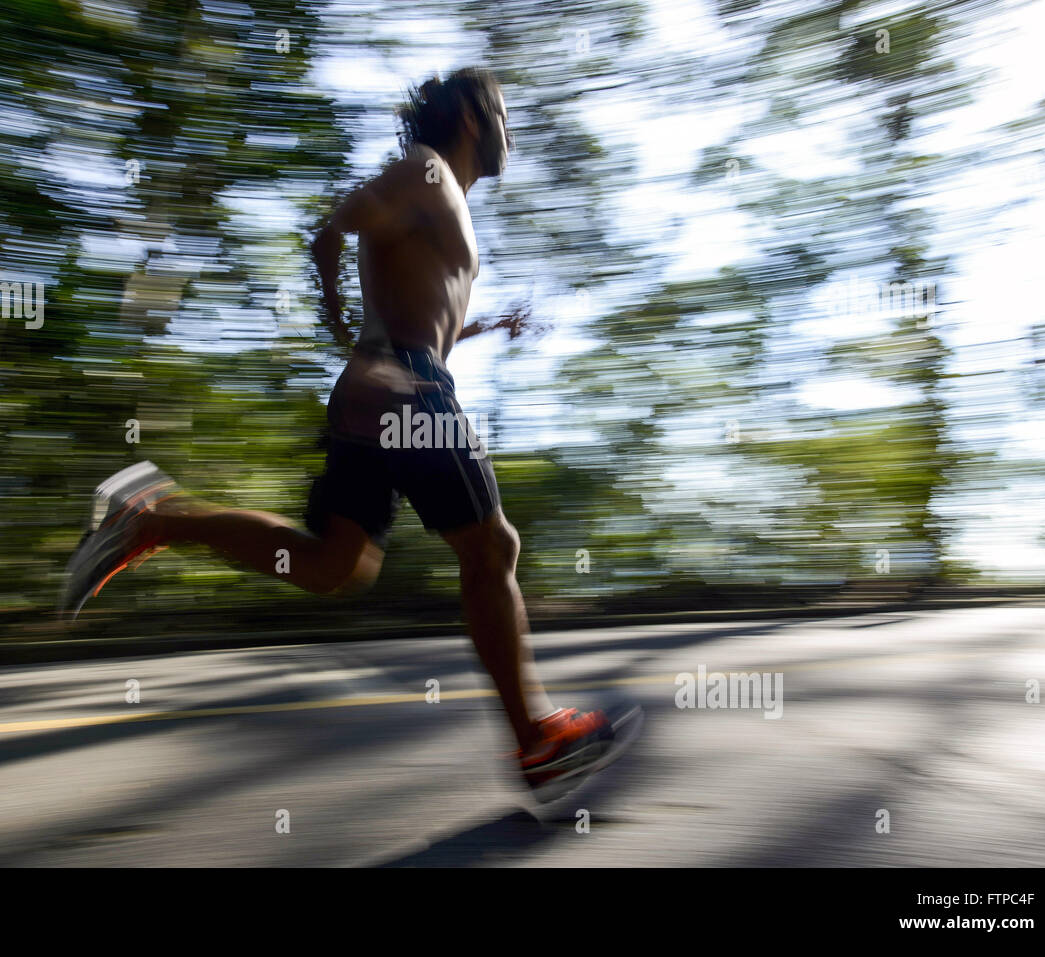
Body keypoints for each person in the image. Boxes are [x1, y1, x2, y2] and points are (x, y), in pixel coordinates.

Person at [60, 68, 640, 803]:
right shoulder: (427, 171)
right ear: (467, 116)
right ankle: (538, 741)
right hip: (405, 384)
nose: (509, 129)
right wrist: (349, 332)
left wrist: (481, 326)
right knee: (491, 547)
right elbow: (335, 229)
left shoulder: (441, 198)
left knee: (338, 564)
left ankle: (152, 519)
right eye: (500, 111)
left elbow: (414, 300)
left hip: (381, 389)